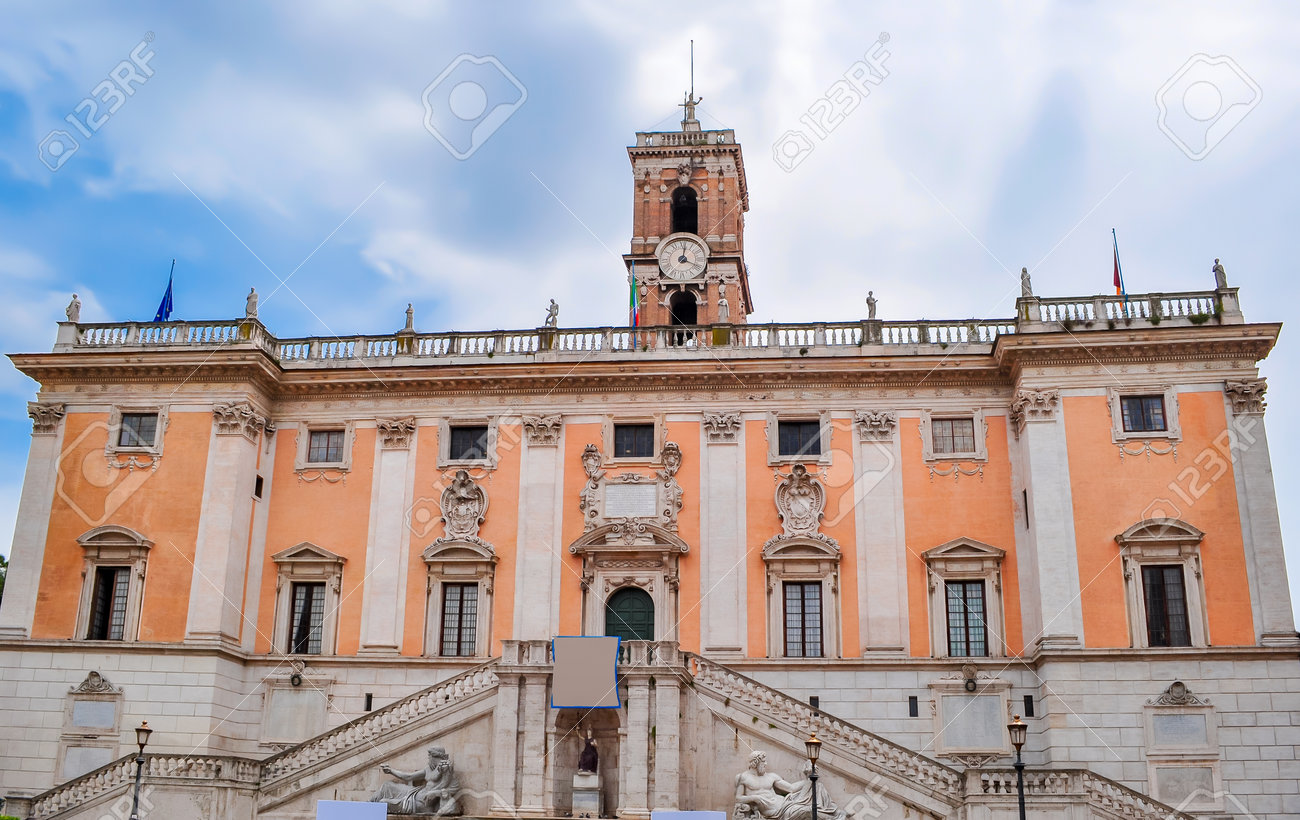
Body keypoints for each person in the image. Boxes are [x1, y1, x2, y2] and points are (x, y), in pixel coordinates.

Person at [371, 746, 462, 816]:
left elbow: (446, 786)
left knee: (384, 802)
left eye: (429, 756)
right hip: (415, 792)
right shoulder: (428, 769)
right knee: (387, 785)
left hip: (420, 804)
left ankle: (367, 810)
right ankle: (368, 805)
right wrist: (391, 771)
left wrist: (435, 792)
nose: (428, 759)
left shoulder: (445, 768)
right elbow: (408, 776)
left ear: (433, 756)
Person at [774, 760, 847, 820]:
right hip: (793, 807)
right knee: (809, 810)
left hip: (806, 806)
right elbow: (794, 792)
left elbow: (791, 788)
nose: (765, 763)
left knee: (818, 786)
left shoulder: (819, 786)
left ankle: (837, 813)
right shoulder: (804, 783)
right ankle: (836, 816)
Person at [734, 751, 795, 820]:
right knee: (802, 811)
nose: (766, 764)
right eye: (763, 761)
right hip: (771, 810)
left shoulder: (772, 776)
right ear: (755, 763)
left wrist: (807, 783)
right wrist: (754, 798)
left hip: (783, 803)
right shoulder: (742, 777)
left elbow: (791, 788)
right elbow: (738, 798)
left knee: (803, 809)